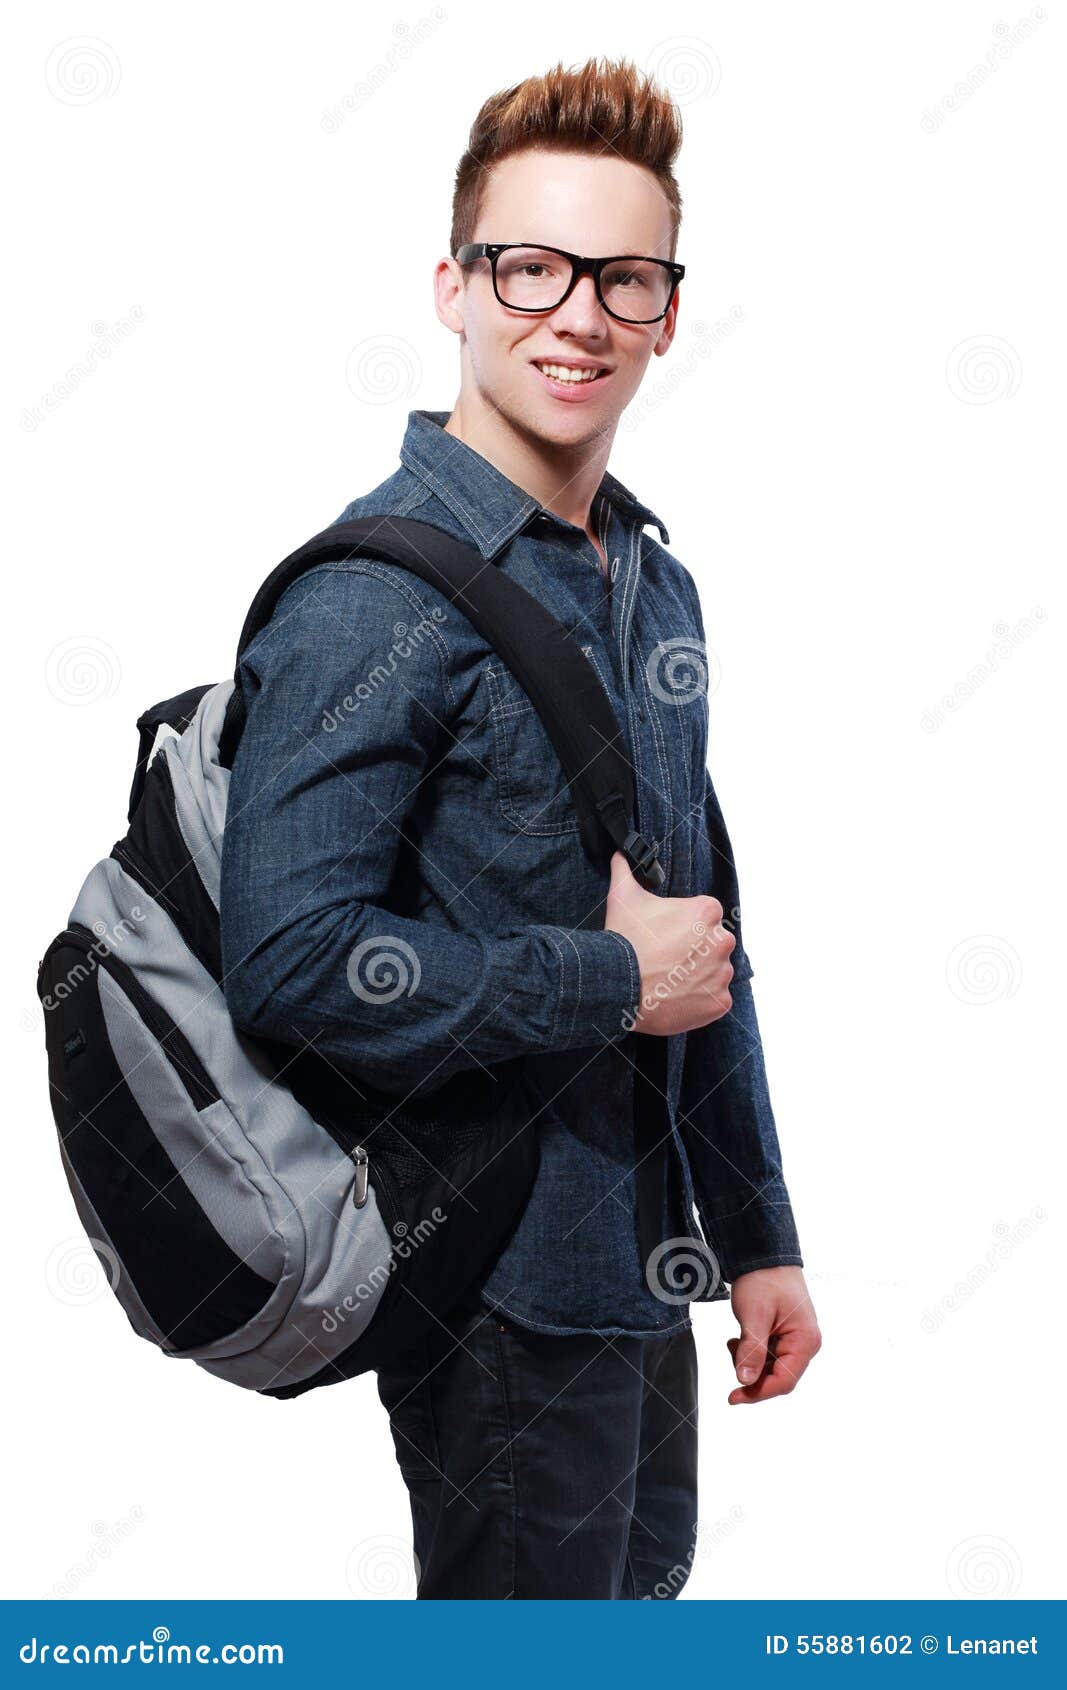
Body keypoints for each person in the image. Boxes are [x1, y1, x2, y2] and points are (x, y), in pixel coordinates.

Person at [220, 55, 820, 1600]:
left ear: (669, 311)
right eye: (533, 265)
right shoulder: (373, 598)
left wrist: (756, 1232)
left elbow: (708, 936)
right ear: (456, 286)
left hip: (644, 1269)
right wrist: (606, 982)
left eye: (625, 278)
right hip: (492, 1285)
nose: (578, 314)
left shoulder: (649, 580)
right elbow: (289, 959)